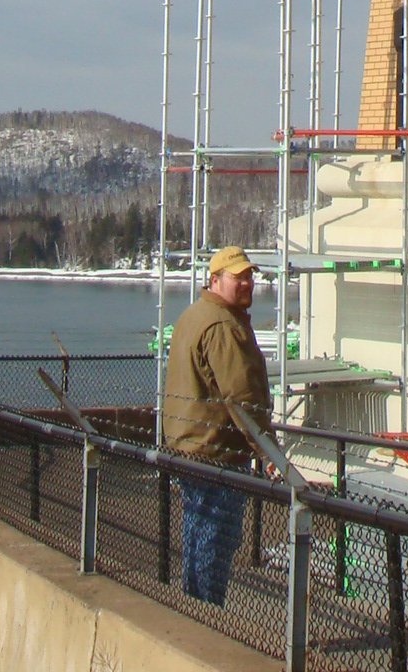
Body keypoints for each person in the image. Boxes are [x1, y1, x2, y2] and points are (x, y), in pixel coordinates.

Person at [161, 245, 273, 605]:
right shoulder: (223, 325)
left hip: (188, 444)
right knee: (216, 536)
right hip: (215, 451)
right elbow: (243, 396)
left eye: (249, 276)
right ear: (215, 279)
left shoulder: (194, 315)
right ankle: (206, 612)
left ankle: (193, 605)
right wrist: (268, 450)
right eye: (238, 277)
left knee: (197, 532)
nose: (246, 283)